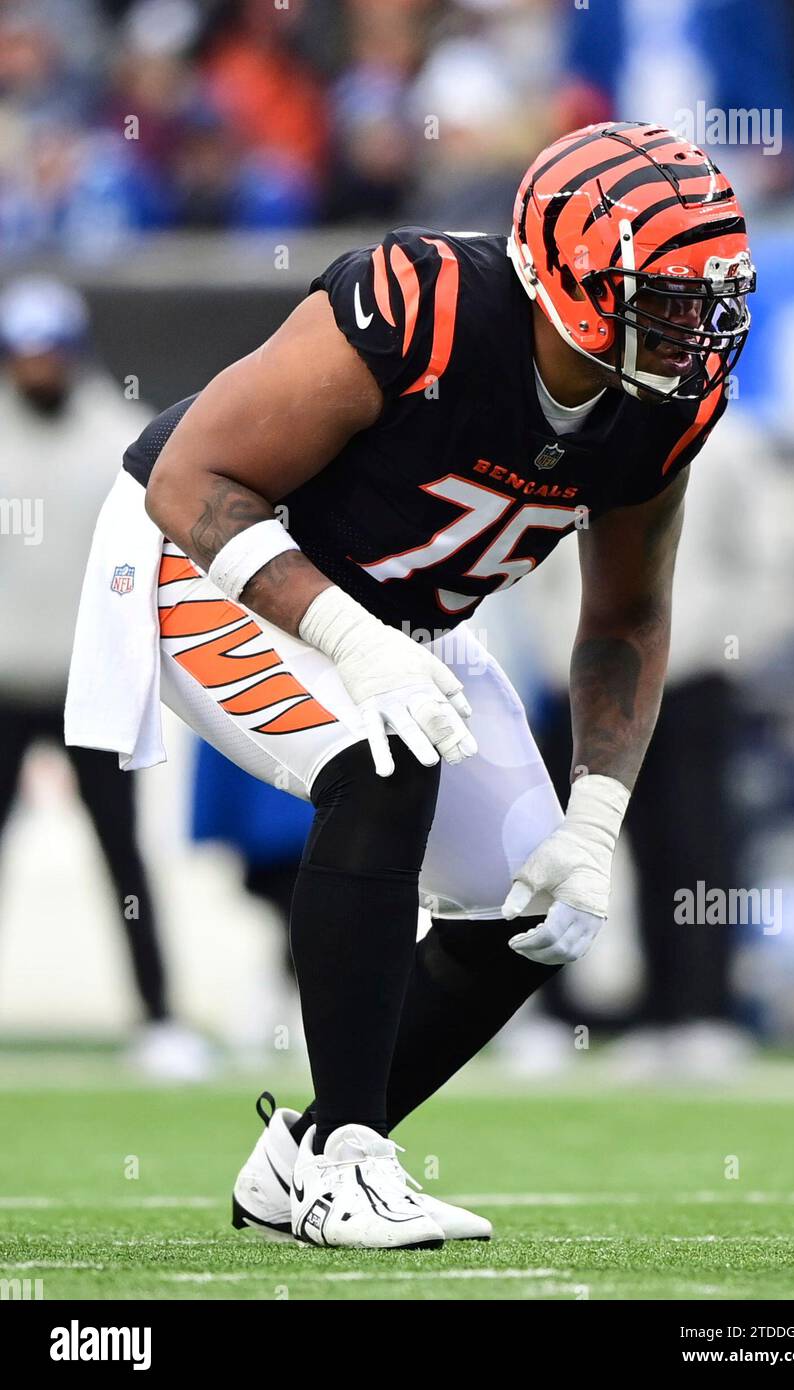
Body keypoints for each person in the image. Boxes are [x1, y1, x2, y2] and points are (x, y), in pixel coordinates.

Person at [67, 122, 756, 1249]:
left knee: (533, 901)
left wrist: (595, 816)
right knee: (386, 760)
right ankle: (350, 1156)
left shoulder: (662, 410)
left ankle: (296, 1160)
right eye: (665, 296)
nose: (694, 327)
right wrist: (352, 642)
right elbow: (193, 477)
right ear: (568, 276)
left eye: (707, 296)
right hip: (208, 559)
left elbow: (626, 614)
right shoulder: (422, 301)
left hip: (397, 617)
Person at [0, 276, 209, 1080]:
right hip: (4, 691)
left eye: (47, 352)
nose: (35, 369)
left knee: (123, 857)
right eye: (22, 354)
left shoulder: (121, 441)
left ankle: (159, 1017)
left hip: (90, 686)